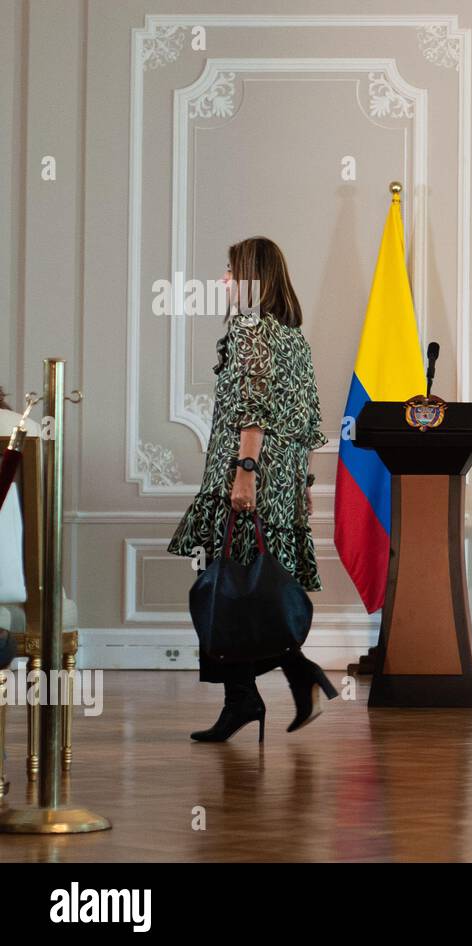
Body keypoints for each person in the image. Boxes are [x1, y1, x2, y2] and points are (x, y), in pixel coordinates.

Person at [168, 236, 337, 742]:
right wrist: (301, 481)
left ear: (250, 281)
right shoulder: (294, 338)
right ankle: (275, 686)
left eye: (229, 271)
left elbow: (253, 408)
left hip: (250, 477)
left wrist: (244, 472)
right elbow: (308, 420)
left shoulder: (250, 331)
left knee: (230, 587)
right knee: (254, 588)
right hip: (281, 482)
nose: (221, 281)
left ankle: (252, 695)